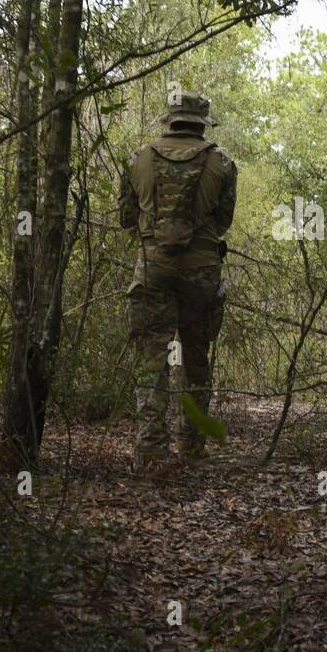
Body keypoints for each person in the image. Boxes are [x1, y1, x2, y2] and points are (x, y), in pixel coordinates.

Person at [118, 91, 236, 471]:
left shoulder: (139, 159)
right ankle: (192, 446)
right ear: (202, 122)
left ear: (169, 119)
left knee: (153, 360)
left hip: (153, 268)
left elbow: (125, 218)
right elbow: (223, 222)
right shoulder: (222, 162)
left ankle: (151, 451)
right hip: (202, 271)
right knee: (196, 359)